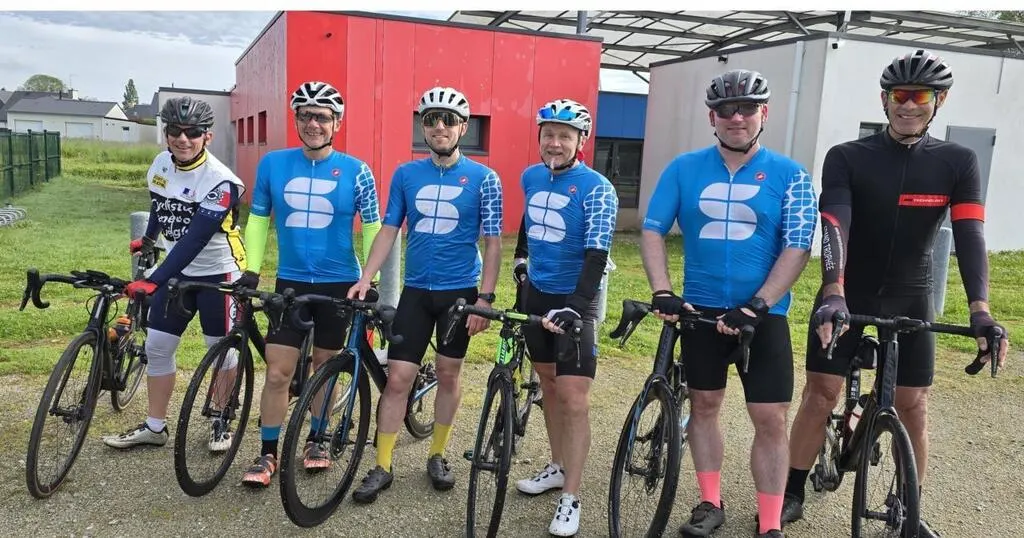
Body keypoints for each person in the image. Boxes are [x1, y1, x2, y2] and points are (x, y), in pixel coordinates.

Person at [783, 49, 1009, 538]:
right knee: (821, 393)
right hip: (850, 290)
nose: (909, 105)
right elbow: (834, 221)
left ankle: (908, 504)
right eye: (899, 96)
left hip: (912, 295)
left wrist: (981, 310)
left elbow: (970, 234)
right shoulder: (848, 156)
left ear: (939, 100)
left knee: (913, 404)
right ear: (885, 101)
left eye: (920, 96)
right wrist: (834, 289)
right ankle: (793, 491)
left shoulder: (958, 162)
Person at [640, 69, 818, 538]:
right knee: (703, 405)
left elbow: (798, 245)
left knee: (770, 417)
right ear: (711, 117)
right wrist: (662, 289)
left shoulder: (791, 174)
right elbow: (653, 229)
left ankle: (772, 522)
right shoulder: (683, 168)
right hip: (700, 311)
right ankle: (709, 502)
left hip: (764, 316)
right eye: (725, 109)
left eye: (746, 108)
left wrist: (759, 304)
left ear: (764, 113)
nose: (735, 117)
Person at [347, 86, 503, 503]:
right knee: (398, 378)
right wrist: (366, 277)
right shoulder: (405, 174)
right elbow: (389, 229)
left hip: (460, 294)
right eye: (431, 119)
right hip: (417, 291)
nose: (439, 127)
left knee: (449, 374)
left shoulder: (486, 179)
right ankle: (382, 464)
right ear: (423, 125)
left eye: (449, 120)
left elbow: (493, 243)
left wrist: (484, 299)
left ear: (463, 128)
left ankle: (437, 454)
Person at [234, 80, 383, 488]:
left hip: (340, 283)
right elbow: (259, 219)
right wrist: (251, 268)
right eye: (306, 115)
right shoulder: (273, 165)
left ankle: (318, 438)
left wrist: (370, 279)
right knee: (278, 372)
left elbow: (373, 226)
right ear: (296, 119)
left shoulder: (357, 171)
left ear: (337, 122)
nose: (313, 123)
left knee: (325, 367)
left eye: (322, 117)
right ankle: (267, 451)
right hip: (291, 283)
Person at [102, 96, 248, 453]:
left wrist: (154, 278)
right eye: (175, 132)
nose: (183, 139)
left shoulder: (222, 182)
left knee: (222, 353)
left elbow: (195, 239)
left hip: (219, 273)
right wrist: (149, 239)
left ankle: (221, 419)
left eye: (193, 132)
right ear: (165, 134)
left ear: (207, 137)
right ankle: (155, 426)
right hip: (177, 271)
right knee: (157, 345)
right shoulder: (160, 164)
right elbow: (161, 206)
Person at [512, 98, 618, 537]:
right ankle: (556, 466)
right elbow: (530, 220)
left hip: (578, 301)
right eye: (548, 135)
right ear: (539, 138)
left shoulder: (598, 188)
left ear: (580, 141)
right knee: (549, 388)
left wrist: (575, 304)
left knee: (574, 399)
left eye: (564, 136)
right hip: (537, 296)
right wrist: (521, 260)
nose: (554, 143)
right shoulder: (531, 176)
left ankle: (570, 496)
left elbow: (597, 255)